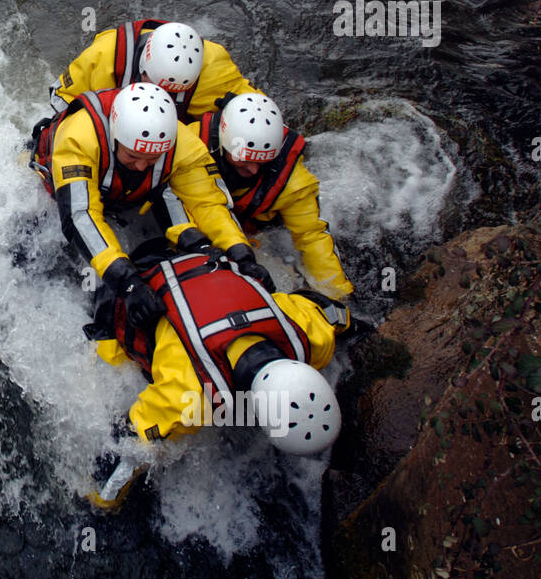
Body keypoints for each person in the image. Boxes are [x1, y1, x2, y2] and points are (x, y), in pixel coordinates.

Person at [83, 241, 353, 507]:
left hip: (187, 249)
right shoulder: (193, 396)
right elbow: (126, 448)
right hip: (121, 291)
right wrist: (101, 500)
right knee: (114, 362)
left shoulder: (310, 335)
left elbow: (328, 309)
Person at [30, 83, 276, 326]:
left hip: (123, 197)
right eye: (133, 156)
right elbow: (80, 215)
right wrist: (126, 280)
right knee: (75, 276)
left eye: (152, 159)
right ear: (114, 136)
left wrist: (241, 254)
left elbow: (209, 203)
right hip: (54, 194)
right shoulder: (79, 138)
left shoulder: (183, 143)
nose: (141, 166)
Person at [194, 93, 355, 300]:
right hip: (202, 226)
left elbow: (311, 237)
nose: (253, 170)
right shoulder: (194, 147)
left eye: (261, 161)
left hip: (255, 229)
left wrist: (339, 295)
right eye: (244, 159)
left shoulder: (293, 181)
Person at [50, 20, 260, 121]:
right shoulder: (105, 55)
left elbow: (255, 109)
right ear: (142, 68)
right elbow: (63, 97)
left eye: (172, 92)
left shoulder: (214, 70)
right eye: (157, 87)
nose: (160, 98)